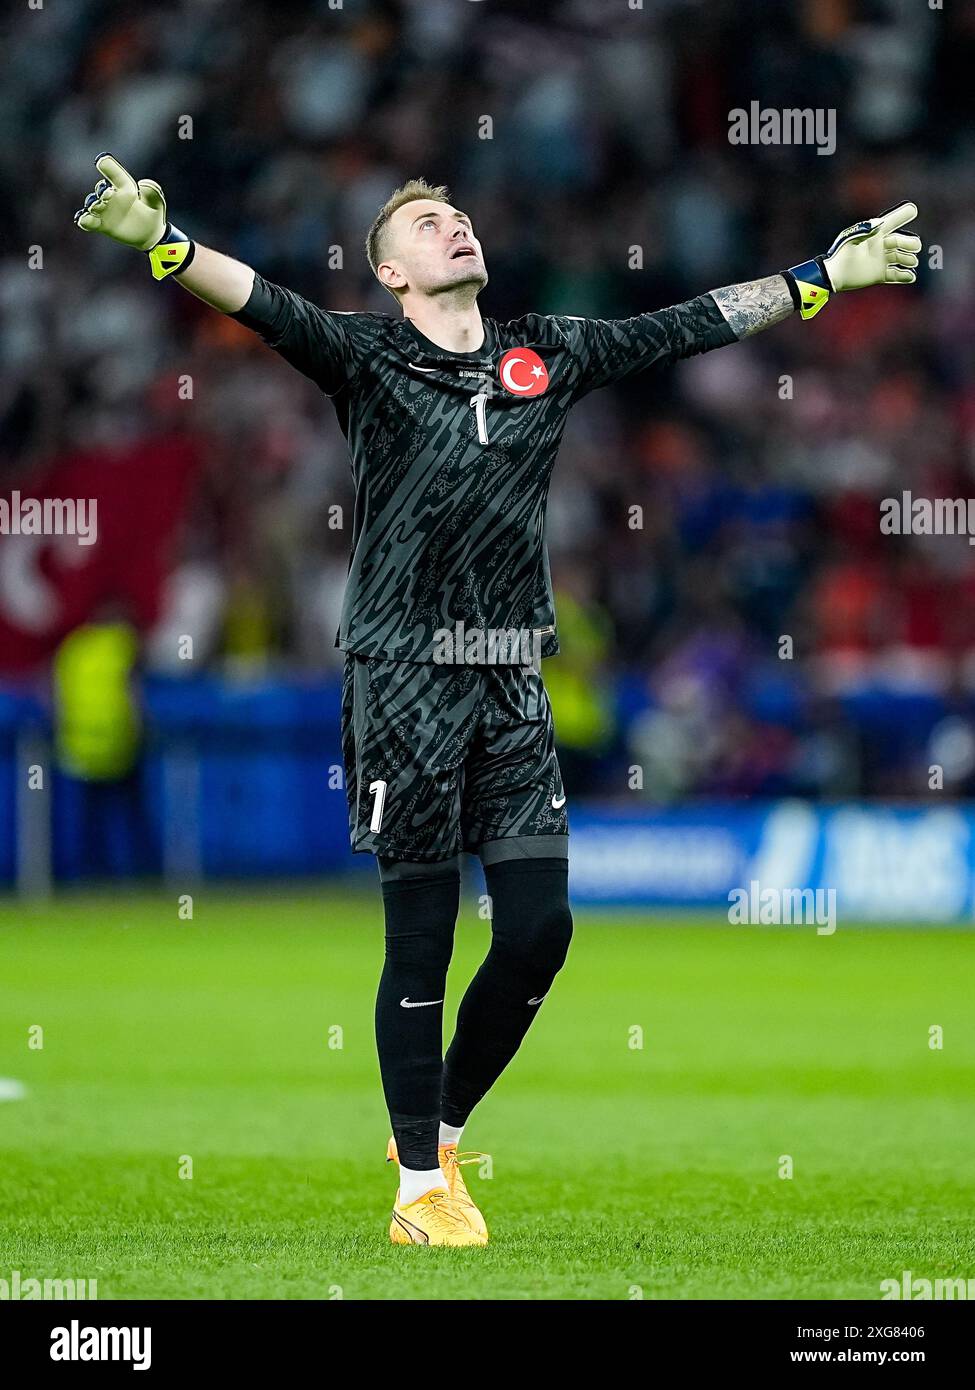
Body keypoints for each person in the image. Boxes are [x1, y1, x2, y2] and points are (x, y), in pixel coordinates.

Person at [74, 156, 920, 1246]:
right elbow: (265, 304)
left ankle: (437, 1124)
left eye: (459, 215)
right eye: (428, 224)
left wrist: (825, 275)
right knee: (420, 941)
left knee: (538, 933)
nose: (455, 228)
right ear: (391, 272)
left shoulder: (546, 351)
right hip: (403, 678)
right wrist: (164, 241)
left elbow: (688, 323)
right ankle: (420, 1189)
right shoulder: (371, 357)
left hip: (513, 677)